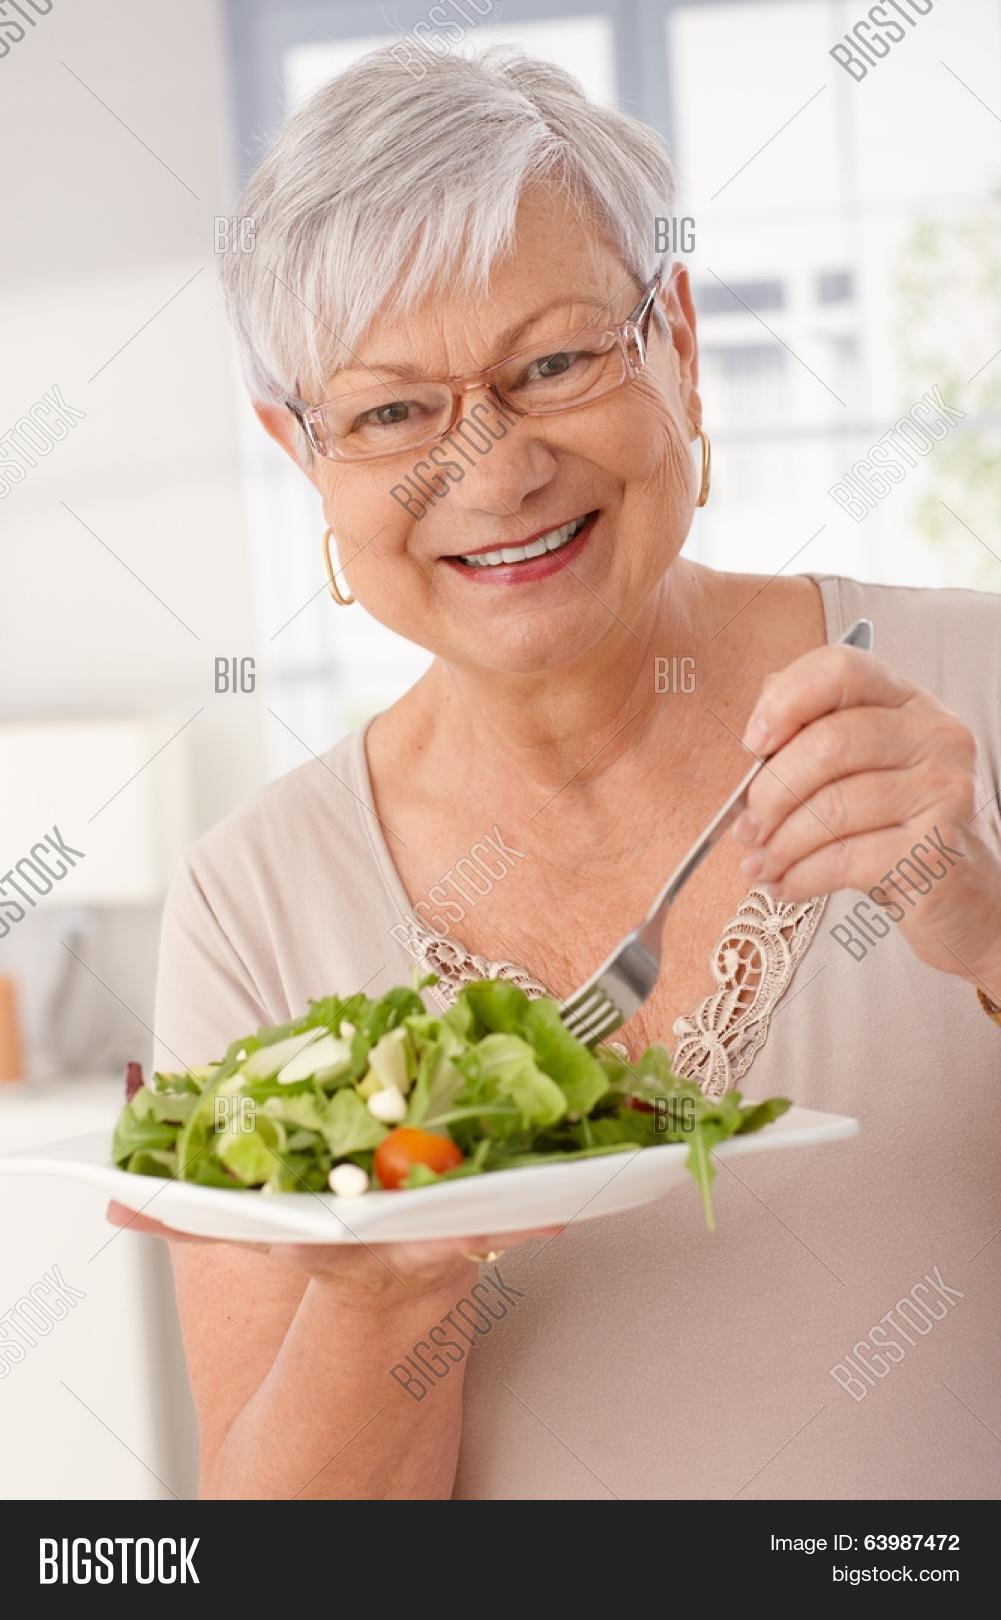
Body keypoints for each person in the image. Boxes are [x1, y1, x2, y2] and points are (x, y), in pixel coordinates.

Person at [113, 46, 1001, 1499]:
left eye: (554, 362)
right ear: (301, 452)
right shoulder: (256, 902)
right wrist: (381, 1295)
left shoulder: (969, 700)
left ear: (682, 343)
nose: (494, 470)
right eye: (392, 412)